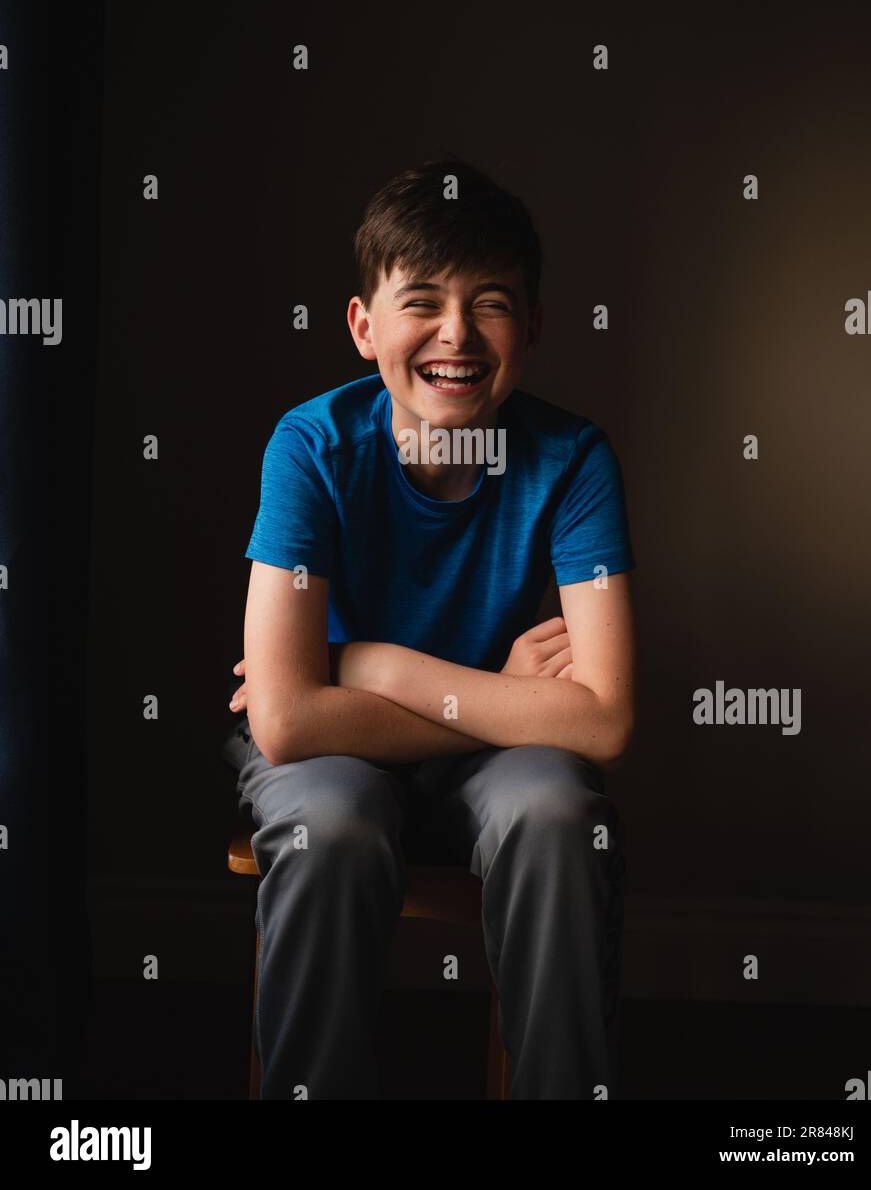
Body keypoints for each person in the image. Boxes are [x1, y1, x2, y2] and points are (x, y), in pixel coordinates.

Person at [222, 156, 637, 1099]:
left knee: (559, 811)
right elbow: (286, 725)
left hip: (464, 749)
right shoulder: (312, 444)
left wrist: (364, 665)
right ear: (365, 327)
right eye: (422, 301)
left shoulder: (572, 460)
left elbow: (605, 721)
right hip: (352, 753)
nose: (457, 333)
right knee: (331, 824)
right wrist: (507, 689)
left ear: (531, 327)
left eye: (491, 302)